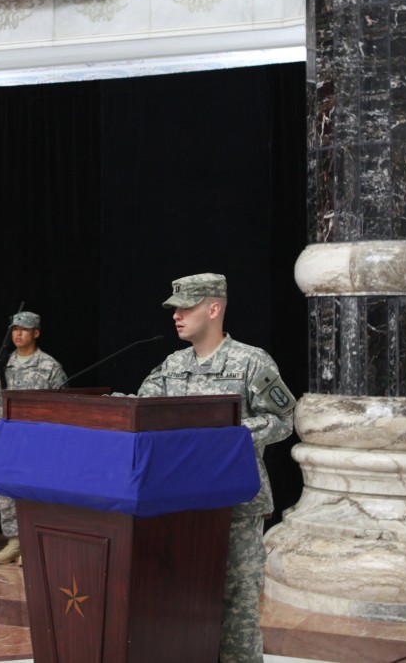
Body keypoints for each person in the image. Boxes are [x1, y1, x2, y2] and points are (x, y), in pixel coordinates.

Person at [134, 273, 295, 663]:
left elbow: (283, 419)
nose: (177, 316)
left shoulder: (249, 361)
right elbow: (141, 413)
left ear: (213, 307)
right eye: (174, 309)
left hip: (236, 506)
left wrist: (228, 437)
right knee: (181, 607)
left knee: (236, 610)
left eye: (185, 307)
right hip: (178, 505)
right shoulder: (171, 365)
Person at [0, 310, 65, 565]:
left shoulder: (50, 366)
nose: (18, 334)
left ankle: (33, 543)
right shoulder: (3, 365)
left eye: (24, 329)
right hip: (7, 439)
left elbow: (62, 407)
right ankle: (13, 541)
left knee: (34, 492)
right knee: (6, 492)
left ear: (35, 333)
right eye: (15, 329)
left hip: (37, 441)